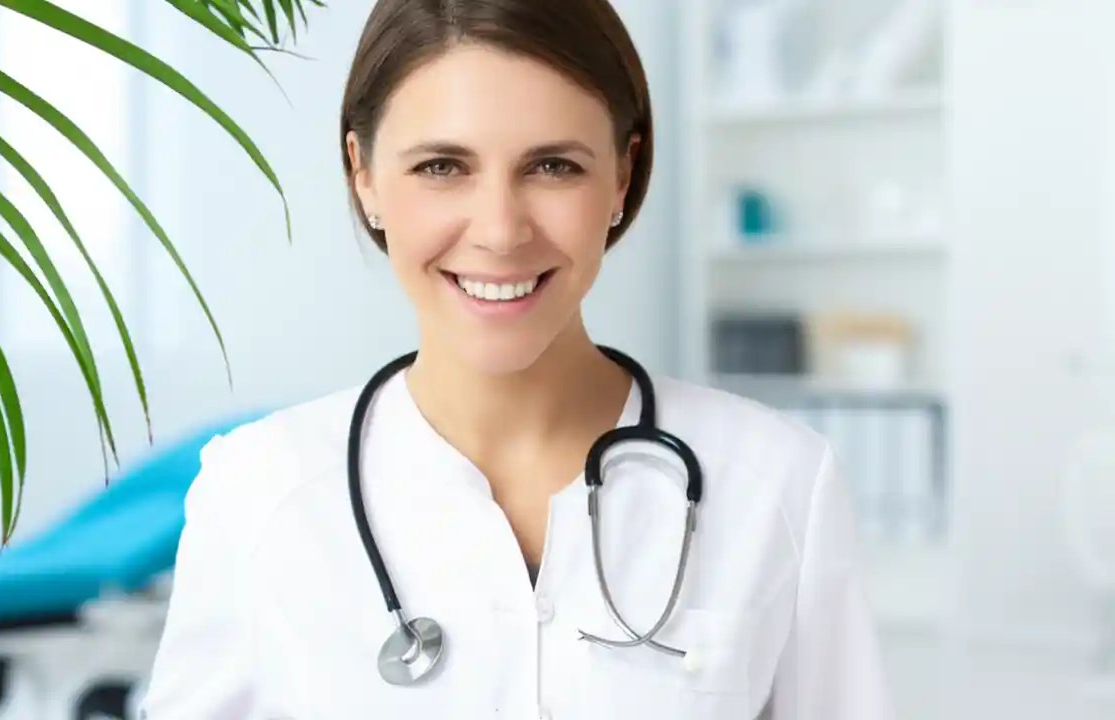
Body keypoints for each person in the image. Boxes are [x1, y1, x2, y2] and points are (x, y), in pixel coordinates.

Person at [140, 0, 896, 717]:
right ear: (363, 174)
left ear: (621, 177)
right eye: (442, 166)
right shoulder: (255, 497)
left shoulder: (779, 486)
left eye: (553, 167)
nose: (500, 231)